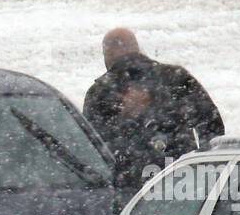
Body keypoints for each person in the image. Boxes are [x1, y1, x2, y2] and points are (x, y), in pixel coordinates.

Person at [83, 29, 224, 201]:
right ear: (137, 48)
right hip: (181, 181)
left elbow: (91, 146)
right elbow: (212, 125)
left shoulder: (100, 92)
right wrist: (202, 165)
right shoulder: (176, 78)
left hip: (130, 188)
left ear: (108, 54)